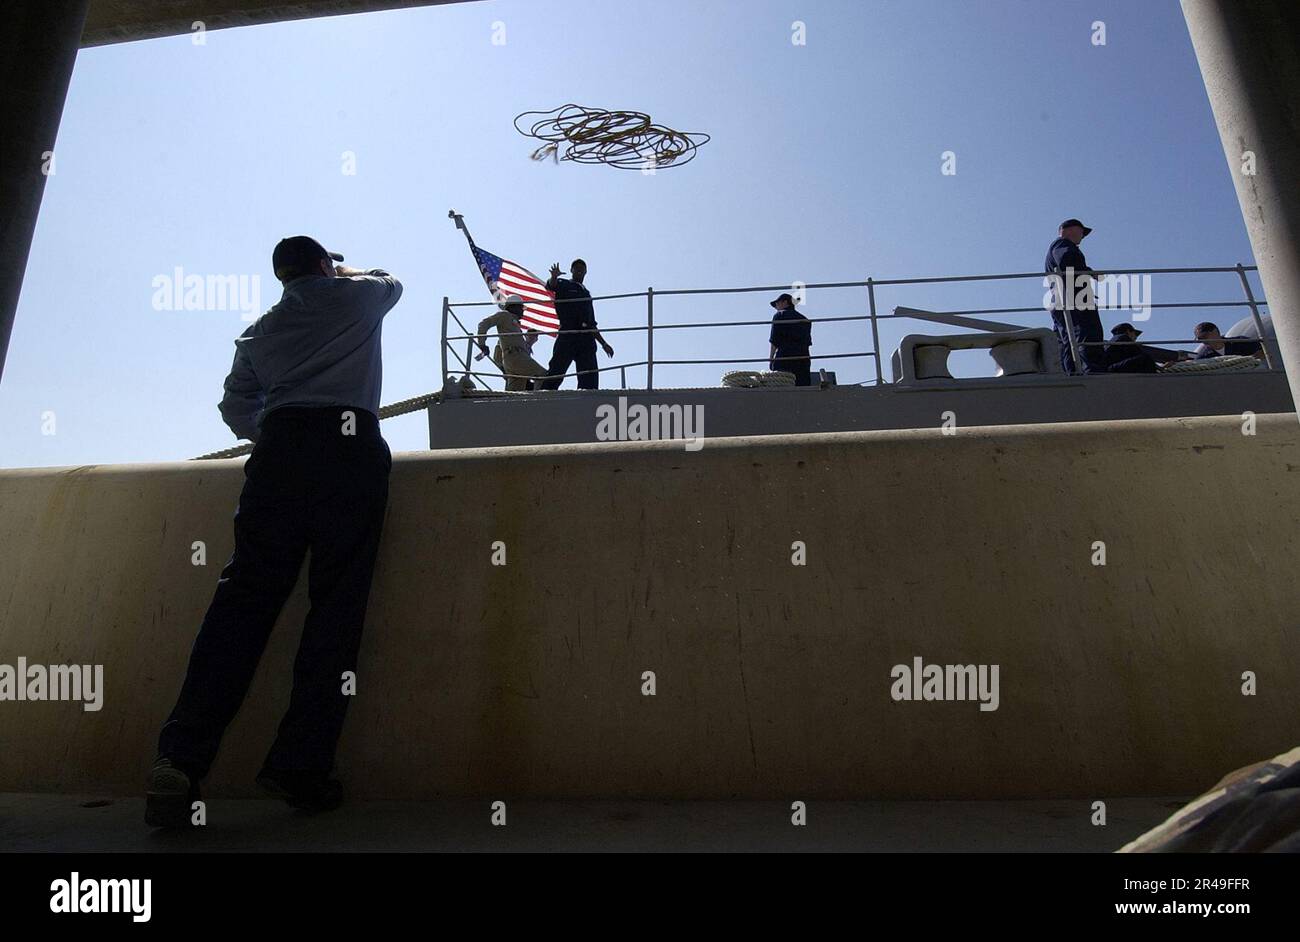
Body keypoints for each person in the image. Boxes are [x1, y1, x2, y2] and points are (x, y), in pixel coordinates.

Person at [146, 236, 402, 827]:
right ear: (322, 265)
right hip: (348, 449)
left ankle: (179, 760)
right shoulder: (358, 295)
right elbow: (394, 280)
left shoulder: (258, 332)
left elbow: (235, 408)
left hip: (280, 453)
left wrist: (280, 433)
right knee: (335, 609)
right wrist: (343, 267)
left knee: (241, 604)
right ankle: (299, 765)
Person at [539, 258, 614, 390]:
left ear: (585, 272)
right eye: (577, 268)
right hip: (568, 333)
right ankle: (544, 397)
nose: (579, 271)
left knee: (589, 377)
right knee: (556, 370)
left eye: (582, 269)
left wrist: (604, 344)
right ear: (571, 270)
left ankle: (587, 402)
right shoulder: (564, 284)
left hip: (586, 337)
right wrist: (554, 277)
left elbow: (592, 324)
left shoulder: (586, 294)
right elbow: (551, 286)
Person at [1044, 218, 1107, 374]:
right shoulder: (1063, 244)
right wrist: (1088, 271)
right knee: (1088, 334)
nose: (1082, 237)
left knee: (1067, 340)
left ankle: (1071, 372)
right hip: (1073, 298)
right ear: (1072, 230)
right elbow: (1067, 259)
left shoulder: (1057, 247)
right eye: (1082, 232)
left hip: (1060, 299)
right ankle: (1092, 371)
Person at [477, 294, 548, 391]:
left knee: (514, 394)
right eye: (521, 307)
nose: (523, 310)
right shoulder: (504, 315)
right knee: (542, 375)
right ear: (514, 306)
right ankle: (538, 403)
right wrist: (482, 344)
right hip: (515, 357)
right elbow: (483, 324)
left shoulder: (514, 324)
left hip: (514, 359)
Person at [1104, 322, 1189, 372]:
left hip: (1111, 367)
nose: (1136, 337)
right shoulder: (1123, 338)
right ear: (1128, 332)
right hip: (1112, 369)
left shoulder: (1115, 341)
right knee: (1144, 358)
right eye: (1134, 334)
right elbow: (1142, 353)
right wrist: (1161, 368)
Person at [768, 293, 813, 386]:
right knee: (803, 387)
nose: (776, 306)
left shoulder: (779, 315)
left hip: (785, 357)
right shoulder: (805, 320)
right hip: (803, 358)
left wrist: (771, 359)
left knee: (783, 386)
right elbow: (807, 342)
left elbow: (774, 340)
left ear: (785, 302)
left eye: (777, 303)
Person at [1193, 321, 1264, 359]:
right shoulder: (1203, 357)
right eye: (1200, 339)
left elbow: (1263, 352)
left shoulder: (1241, 342)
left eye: (1204, 336)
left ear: (1215, 332)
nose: (1203, 341)